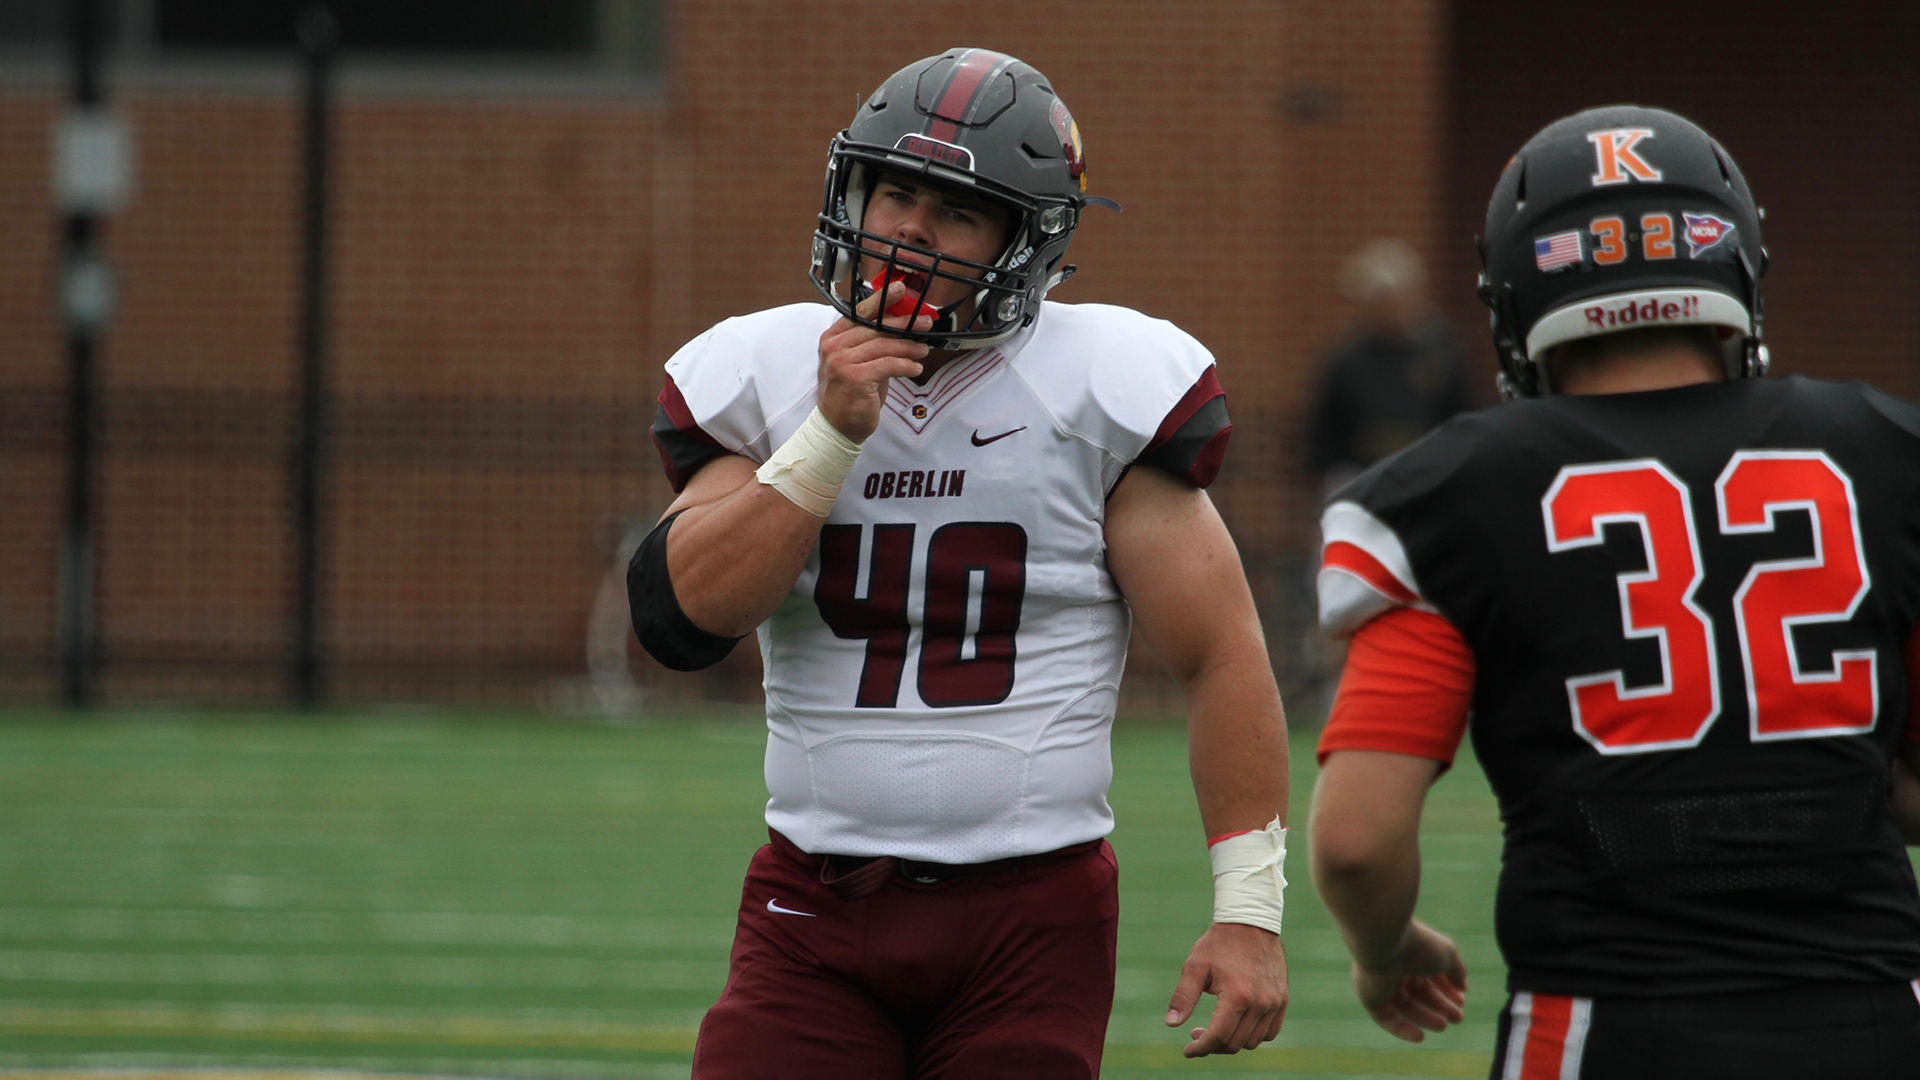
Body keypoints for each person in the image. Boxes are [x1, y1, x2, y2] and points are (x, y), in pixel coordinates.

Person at [629, 49, 1290, 1078]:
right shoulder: (764, 375)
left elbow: (1222, 655)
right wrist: (826, 437)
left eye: (957, 211)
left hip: (1030, 921)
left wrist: (1248, 911)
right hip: (814, 901)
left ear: (1025, 244)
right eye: (894, 192)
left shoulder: (1098, 389)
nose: (907, 232)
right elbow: (680, 620)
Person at [1308, 104, 1920, 1080]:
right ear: (1734, 264)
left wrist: (1385, 955)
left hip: (1608, 1019)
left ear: (1513, 290)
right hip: (1873, 1018)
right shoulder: (1885, 454)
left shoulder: (1456, 491)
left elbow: (1355, 844)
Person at [1303, 237, 1472, 500]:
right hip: (1361, 481)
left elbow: (1460, 419)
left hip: (1425, 481)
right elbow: (1324, 432)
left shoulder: (1439, 357)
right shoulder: (1348, 362)